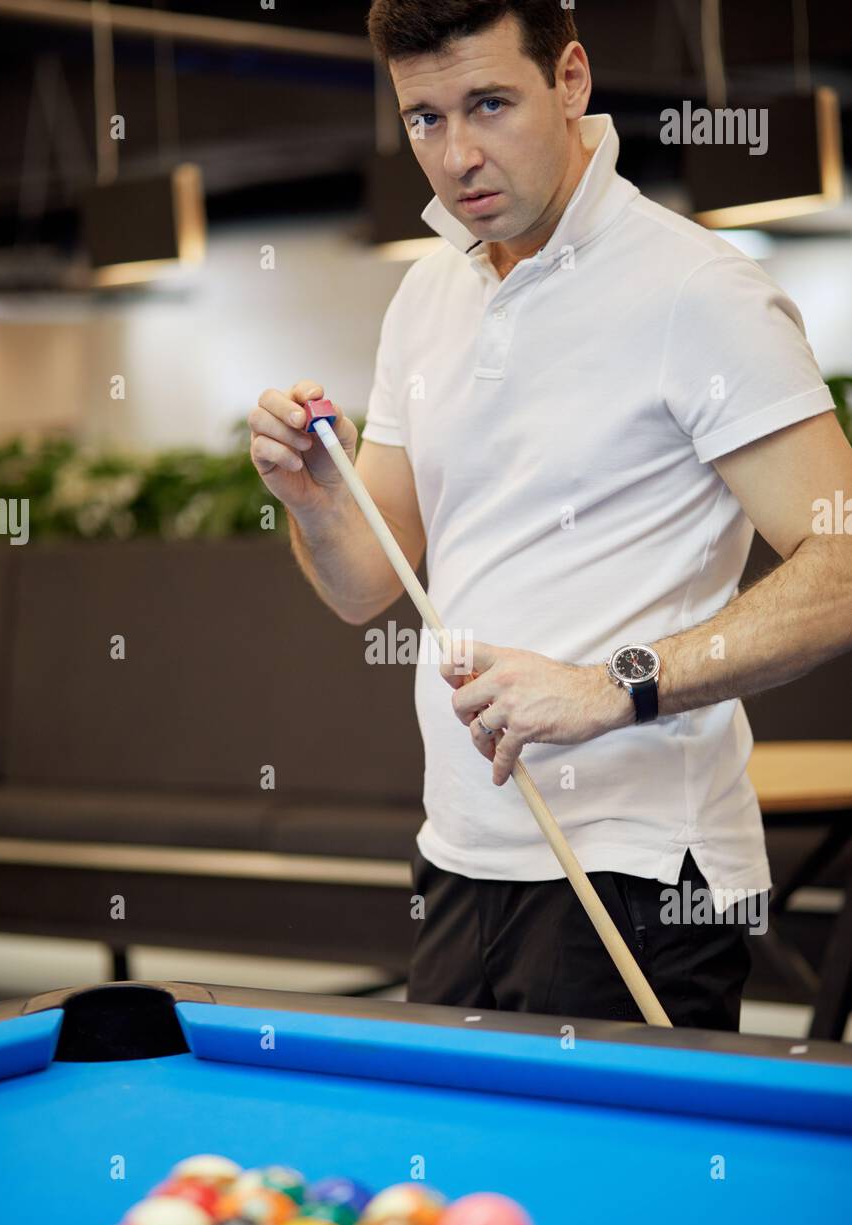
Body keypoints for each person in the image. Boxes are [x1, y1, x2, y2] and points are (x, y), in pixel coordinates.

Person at [248, 1, 852, 1030]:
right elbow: (365, 586)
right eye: (425, 118)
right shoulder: (425, 296)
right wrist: (312, 499)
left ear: (569, 80)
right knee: (467, 1187)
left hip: (639, 867)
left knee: (620, 1194)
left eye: (489, 102)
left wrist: (613, 686)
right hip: (459, 851)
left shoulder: (692, 289)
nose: (456, 154)